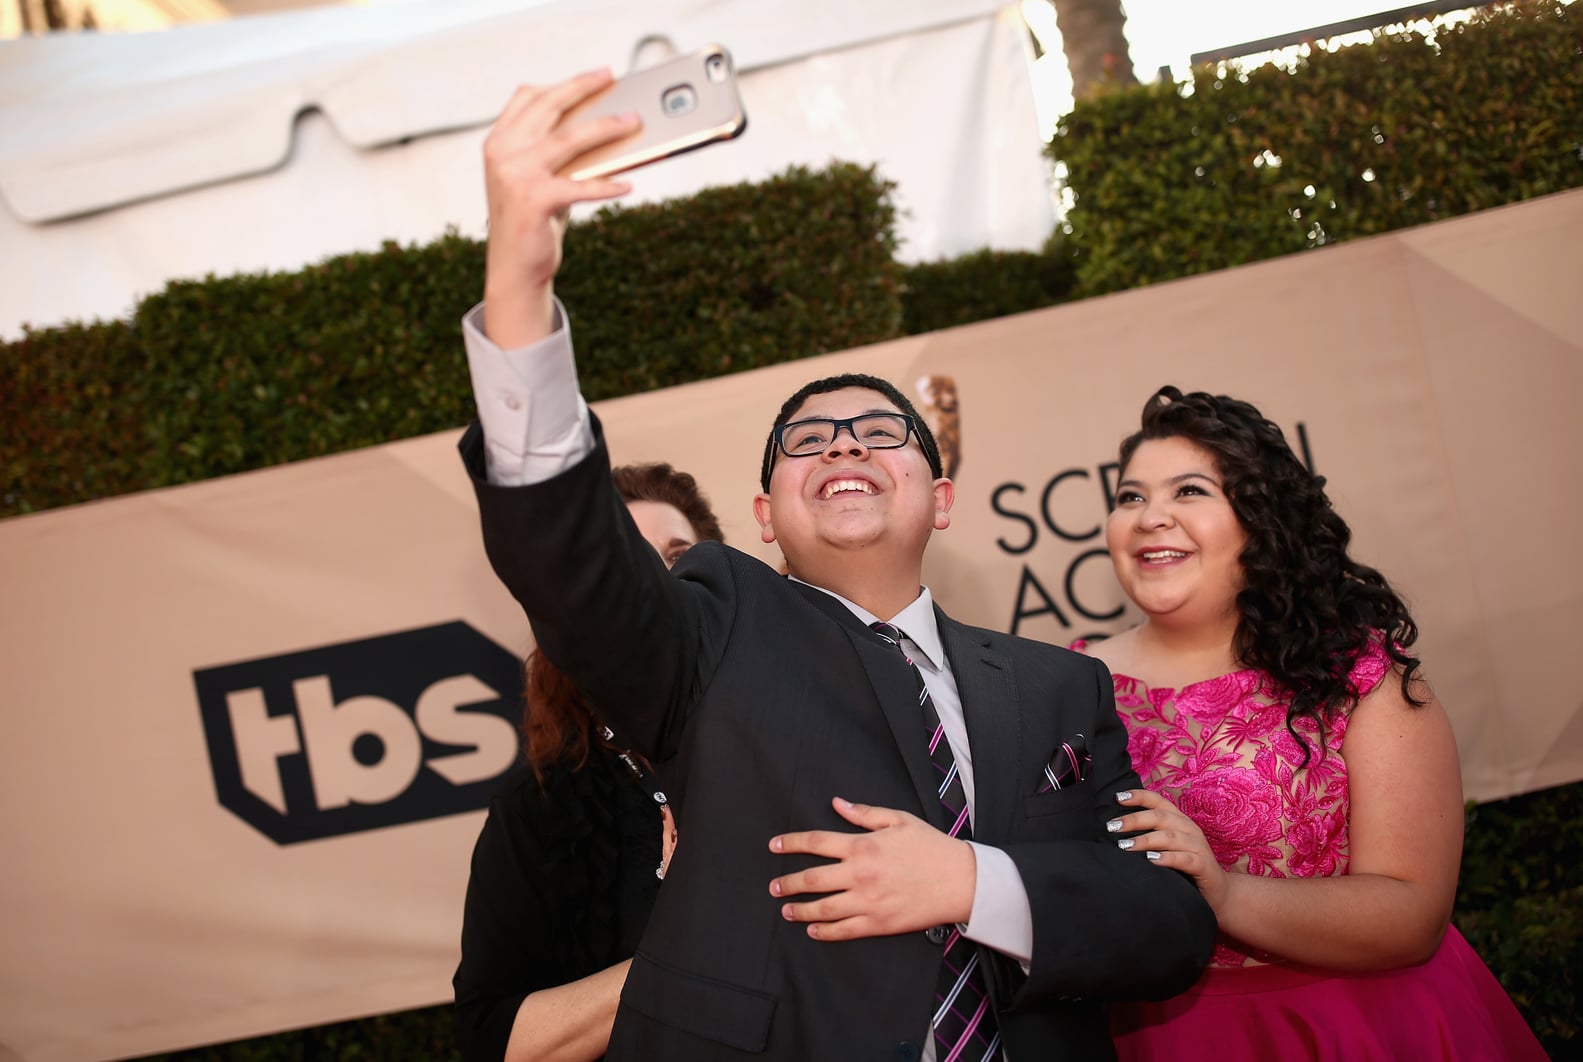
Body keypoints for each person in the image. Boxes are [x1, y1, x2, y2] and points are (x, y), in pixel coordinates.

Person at [455, 69, 1216, 1062]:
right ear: (764, 518)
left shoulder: (1062, 687)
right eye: (807, 439)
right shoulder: (712, 639)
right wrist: (518, 281)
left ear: (939, 498)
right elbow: (568, 557)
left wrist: (969, 883)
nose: (844, 444)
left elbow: (1163, 926)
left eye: (878, 431)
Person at [1077, 385, 1547, 1060]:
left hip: (1361, 1028)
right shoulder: (1065, 688)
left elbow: (1411, 915)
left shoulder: (1357, 675)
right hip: (1158, 1040)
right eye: (1129, 497)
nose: (1150, 516)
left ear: (1257, 519)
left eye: (1187, 492)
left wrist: (1224, 891)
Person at [453, 463, 723, 1062]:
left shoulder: (814, 726)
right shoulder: (544, 811)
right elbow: (494, 1040)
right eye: (627, 566)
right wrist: (687, 939)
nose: (658, 583)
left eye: (680, 556)